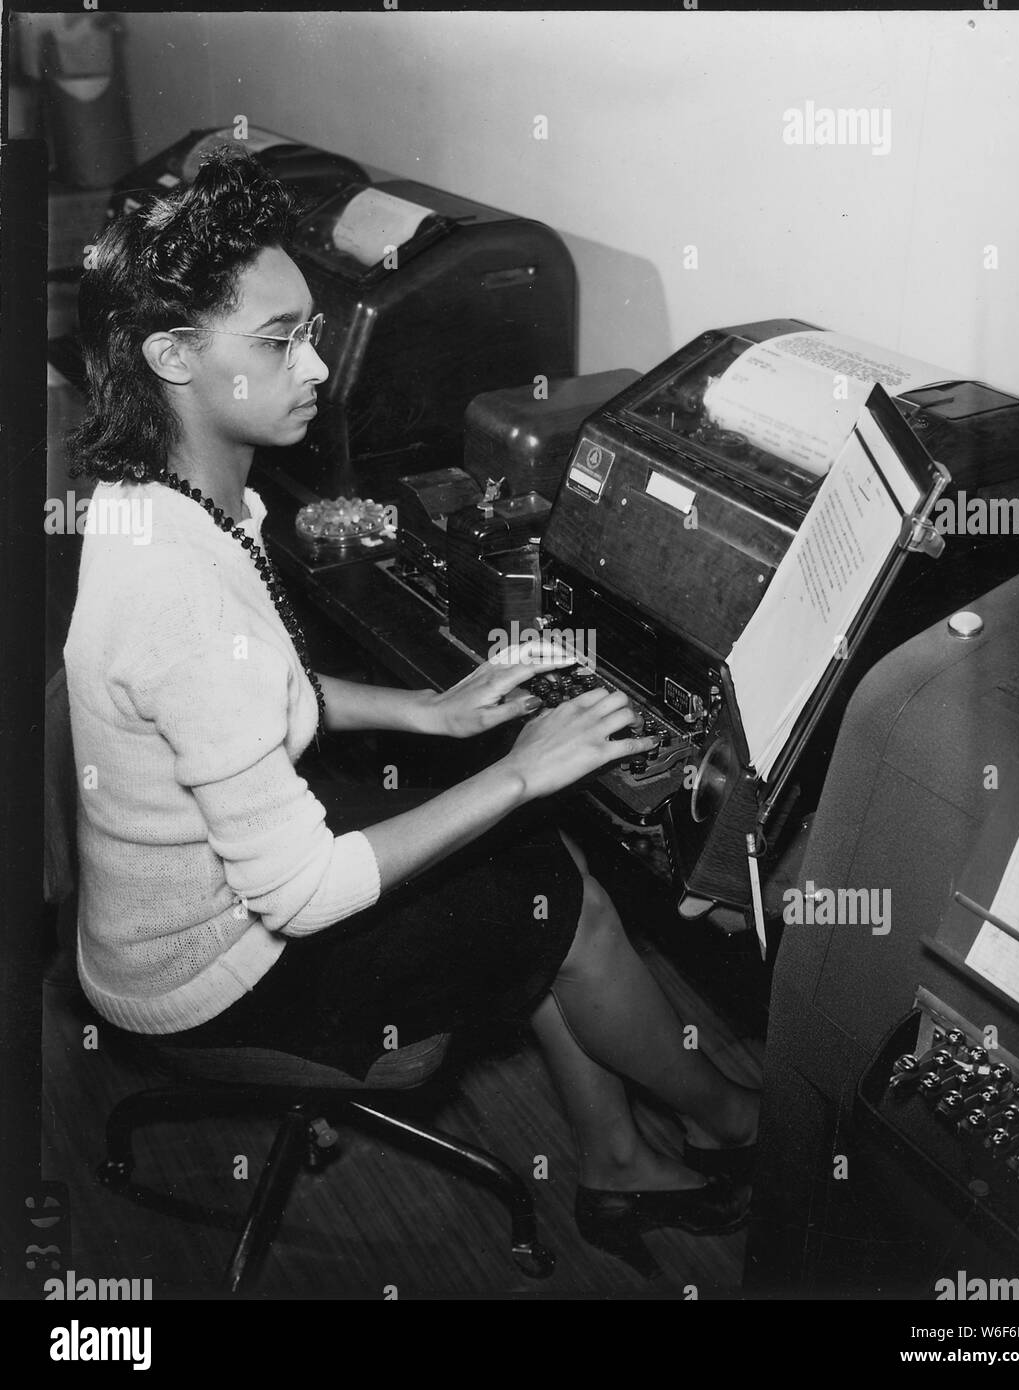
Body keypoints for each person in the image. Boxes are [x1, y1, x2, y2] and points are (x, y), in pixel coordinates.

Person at [63, 148, 758, 1280]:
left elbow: (259, 696)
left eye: (312, 329)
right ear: (173, 356)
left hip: (177, 902)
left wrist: (435, 713)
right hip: (212, 968)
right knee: (552, 881)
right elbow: (303, 886)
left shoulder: (164, 494)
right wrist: (519, 770)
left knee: (526, 860)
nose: (319, 366)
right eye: (279, 342)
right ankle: (728, 1119)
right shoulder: (180, 593)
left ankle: (616, 1149)